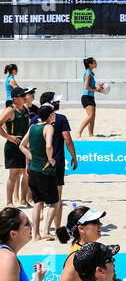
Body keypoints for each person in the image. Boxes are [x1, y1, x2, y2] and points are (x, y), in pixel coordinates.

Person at [55, 206, 124, 281]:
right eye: (95, 221)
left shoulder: (91, 251)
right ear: (81, 228)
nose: (100, 224)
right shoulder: (75, 257)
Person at [18, 104, 60, 240]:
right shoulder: (48, 127)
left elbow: (22, 146)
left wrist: (32, 157)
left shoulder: (33, 127)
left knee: (38, 202)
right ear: (49, 116)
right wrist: (50, 159)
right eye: (52, 113)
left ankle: (35, 234)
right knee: (54, 202)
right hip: (45, 170)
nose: (54, 115)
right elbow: (48, 145)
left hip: (34, 170)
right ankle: (46, 231)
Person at [40, 92, 77, 227]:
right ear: (51, 103)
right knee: (57, 198)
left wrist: (28, 163)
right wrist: (74, 157)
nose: (58, 103)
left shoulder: (34, 120)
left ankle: (39, 231)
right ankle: (57, 228)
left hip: (39, 163)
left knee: (40, 199)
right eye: (56, 101)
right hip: (56, 161)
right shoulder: (61, 119)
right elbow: (67, 140)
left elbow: (28, 144)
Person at [1, 88, 32, 207]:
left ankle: (23, 200)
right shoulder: (10, 110)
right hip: (12, 146)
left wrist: (28, 140)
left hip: (23, 145)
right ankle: (9, 202)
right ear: (14, 98)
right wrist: (9, 136)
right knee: (13, 174)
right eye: (21, 95)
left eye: (24, 94)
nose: (24, 96)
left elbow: (28, 125)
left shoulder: (25, 109)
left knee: (25, 172)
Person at [76, 56, 105, 138]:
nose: (96, 63)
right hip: (87, 97)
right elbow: (86, 87)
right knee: (90, 116)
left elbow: (91, 86)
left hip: (90, 97)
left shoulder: (91, 73)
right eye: (94, 62)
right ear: (90, 64)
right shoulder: (88, 73)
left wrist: (98, 88)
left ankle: (91, 134)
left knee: (92, 117)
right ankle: (79, 131)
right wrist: (96, 89)